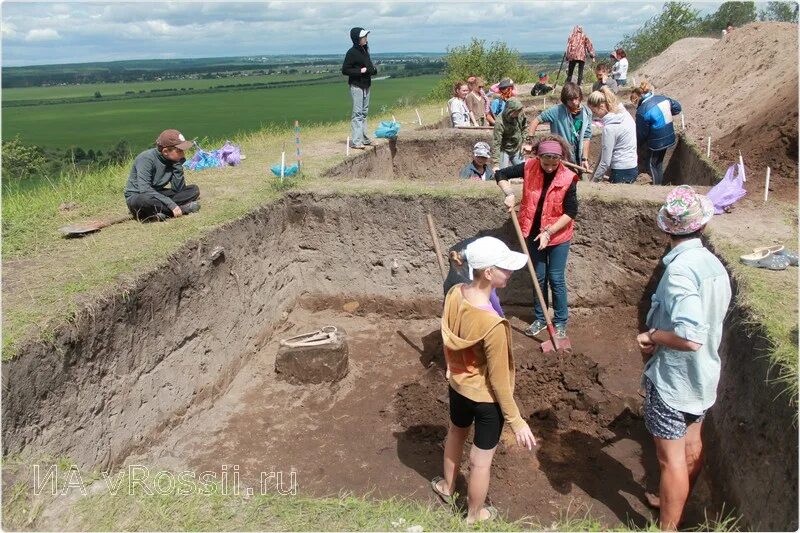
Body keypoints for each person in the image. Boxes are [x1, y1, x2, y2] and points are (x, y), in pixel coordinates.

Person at [637, 185, 731, 531]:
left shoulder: (679, 272)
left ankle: (667, 526)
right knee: (693, 443)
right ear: (702, 227)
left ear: (666, 228)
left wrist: (653, 336)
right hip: (703, 376)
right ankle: (672, 502)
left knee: (670, 461)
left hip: (674, 381)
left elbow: (691, 338)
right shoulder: (713, 265)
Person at [432, 236, 537, 524]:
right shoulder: (493, 326)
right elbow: (500, 382)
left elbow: (447, 334)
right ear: (488, 272)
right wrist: (516, 421)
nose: (511, 272)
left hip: (457, 386)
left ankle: (446, 487)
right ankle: (474, 516)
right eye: (505, 268)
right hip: (486, 403)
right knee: (480, 461)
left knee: (455, 433)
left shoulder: (454, 293)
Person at [495, 135, 578, 338]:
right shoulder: (529, 167)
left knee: (555, 278)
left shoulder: (568, 177)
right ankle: (541, 318)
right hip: (532, 232)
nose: (549, 168)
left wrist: (548, 232)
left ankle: (560, 321)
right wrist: (509, 193)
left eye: (554, 163)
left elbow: (571, 212)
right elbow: (501, 174)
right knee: (538, 277)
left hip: (557, 234)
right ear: (538, 157)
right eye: (545, 163)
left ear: (560, 159)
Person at [124, 129, 201, 222]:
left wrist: (178, 166)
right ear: (165, 151)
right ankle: (183, 209)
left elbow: (178, 190)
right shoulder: (146, 158)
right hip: (139, 196)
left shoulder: (172, 160)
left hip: (158, 194)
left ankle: (157, 213)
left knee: (193, 190)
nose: (183, 154)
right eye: (180, 151)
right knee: (144, 200)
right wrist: (171, 204)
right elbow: (145, 189)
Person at [527, 82, 593, 171]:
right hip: (561, 157)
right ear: (565, 100)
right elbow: (536, 121)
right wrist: (530, 141)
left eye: (576, 98)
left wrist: (585, 159)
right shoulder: (556, 111)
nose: (574, 102)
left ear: (580, 97)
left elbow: (586, 137)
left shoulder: (586, 112)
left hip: (578, 157)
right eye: (570, 99)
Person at [633, 81, 682, 186]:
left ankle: (656, 187)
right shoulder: (663, 99)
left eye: (634, 101)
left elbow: (642, 134)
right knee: (659, 163)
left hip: (656, 141)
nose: (635, 104)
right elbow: (677, 108)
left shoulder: (642, 110)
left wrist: (638, 146)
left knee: (651, 164)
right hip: (669, 136)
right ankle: (660, 184)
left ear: (639, 97)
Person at [586, 87, 637, 183]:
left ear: (601, 106)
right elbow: (603, 153)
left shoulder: (609, 129)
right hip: (632, 167)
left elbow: (605, 162)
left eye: (594, 112)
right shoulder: (625, 114)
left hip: (620, 171)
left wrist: (594, 181)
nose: (595, 115)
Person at [342, 27, 377, 149]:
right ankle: (357, 142)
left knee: (364, 113)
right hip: (357, 85)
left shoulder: (365, 50)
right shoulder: (351, 52)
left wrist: (373, 70)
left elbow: (369, 67)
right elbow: (345, 70)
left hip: (366, 85)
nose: (366, 39)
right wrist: (359, 71)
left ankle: (365, 139)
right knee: (357, 114)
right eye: (363, 37)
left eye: (366, 36)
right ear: (357, 39)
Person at [491, 97, 528, 171]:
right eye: (515, 112)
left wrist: (525, 142)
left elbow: (524, 128)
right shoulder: (500, 122)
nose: (517, 113)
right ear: (510, 110)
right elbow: (496, 142)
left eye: (518, 111)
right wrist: (496, 164)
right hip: (504, 149)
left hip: (517, 147)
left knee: (525, 170)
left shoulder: (520, 114)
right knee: (503, 173)